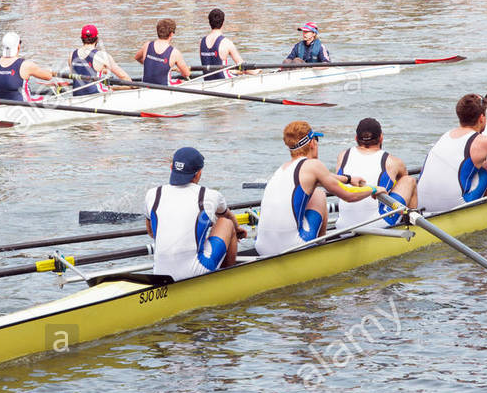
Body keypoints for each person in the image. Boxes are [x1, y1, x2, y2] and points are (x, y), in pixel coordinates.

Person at [254, 120, 378, 256]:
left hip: (261, 247)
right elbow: (349, 195)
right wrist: (374, 189)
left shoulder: (282, 169)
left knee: (311, 193)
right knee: (318, 194)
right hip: (291, 246)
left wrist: (348, 179)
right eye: (317, 139)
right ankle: (320, 249)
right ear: (312, 143)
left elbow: (325, 177)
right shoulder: (313, 165)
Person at [144, 146, 244, 281]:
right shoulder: (210, 195)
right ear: (198, 174)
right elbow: (227, 216)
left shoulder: (153, 194)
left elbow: (151, 232)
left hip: (160, 272)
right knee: (226, 223)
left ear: (171, 167)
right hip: (197, 270)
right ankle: (228, 280)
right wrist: (237, 229)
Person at [333, 117, 416, 232]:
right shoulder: (393, 162)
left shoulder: (343, 156)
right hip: (377, 225)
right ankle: (414, 223)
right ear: (381, 137)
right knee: (409, 180)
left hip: (342, 226)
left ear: (356, 138)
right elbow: (402, 182)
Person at [0, 31, 55, 102]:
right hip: (24, 105)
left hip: (1, 103)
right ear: (18, 46)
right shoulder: (25, 65)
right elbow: (48, 76)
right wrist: (50, 70)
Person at [70, 24, 130, 96]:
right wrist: (115, 88)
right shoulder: (102, 56)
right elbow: (125, 78)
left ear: (81, 38)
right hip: (96, 96)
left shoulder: (72, 55)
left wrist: (102, 70)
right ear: (97, 39)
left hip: (76, 96)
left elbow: (80, 73)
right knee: (129, 86)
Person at [133, 18, 191, 85]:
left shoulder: (147, 45)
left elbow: (137, 57)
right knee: (183, 82)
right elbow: (186, 74)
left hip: (146, 86)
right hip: (164, 89)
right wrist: (181, 71)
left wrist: (152, 65)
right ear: (171, 34)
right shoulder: (175, 53)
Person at [199, 7, 245, 80]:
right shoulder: (226, 43)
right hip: (224, 80)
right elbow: (242, 66)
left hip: (207, 81)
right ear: (223, 23)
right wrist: (257, 72)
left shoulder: (201, 42)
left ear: (209, 22)